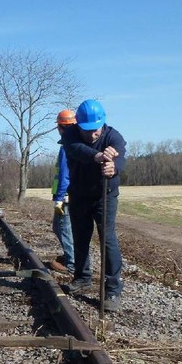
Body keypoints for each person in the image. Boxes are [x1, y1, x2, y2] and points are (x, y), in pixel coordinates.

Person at [61, 99, 127, 313]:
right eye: (86, 131)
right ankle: (82, 277)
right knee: (81, 236)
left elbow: (121, 157)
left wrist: (113, 168)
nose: (92, 135)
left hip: (104, 195)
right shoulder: (70, 135)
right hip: (79, 194)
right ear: (78, 125)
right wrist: (97, 156)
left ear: (103, 124)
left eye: (95, 131)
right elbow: (75, 149)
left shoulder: (113, 136)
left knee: (107, 238)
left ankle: (113, 288)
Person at [49, 109, 76, 274]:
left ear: (61, 127)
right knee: (59, 227)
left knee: (64, 229)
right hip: (68, 195)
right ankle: (71, 257)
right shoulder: (75, 144)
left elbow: (65, 175)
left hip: (65, 197)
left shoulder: (67, 147)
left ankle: (72, 264)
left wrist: (59, 197)